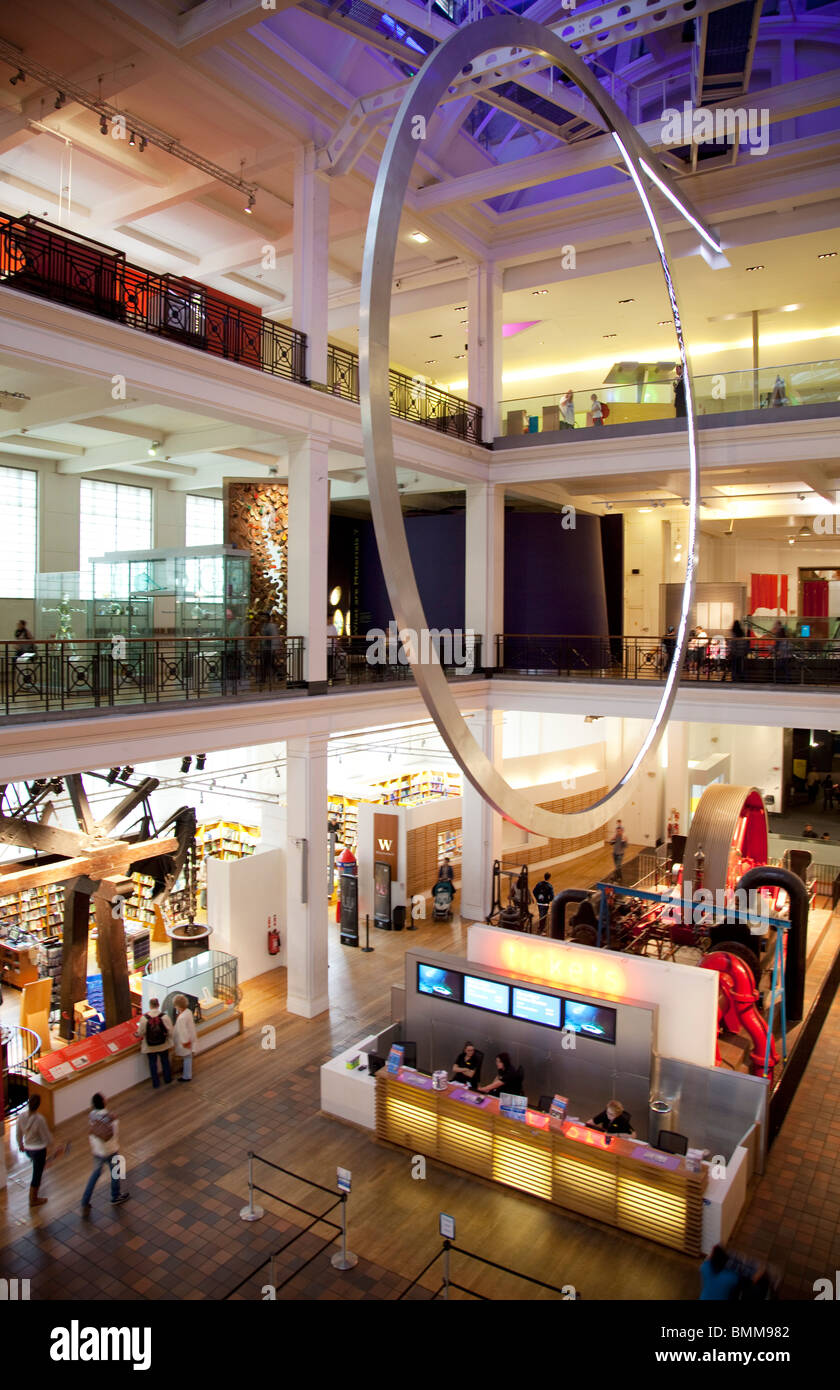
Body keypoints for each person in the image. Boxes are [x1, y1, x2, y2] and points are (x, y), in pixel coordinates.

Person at [81, 1092, 130, 1214]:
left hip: (97, 1150)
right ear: (104, 1102)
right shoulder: (112, 1118)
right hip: (111, 1149)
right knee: (115, 1172)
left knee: (95, 1174)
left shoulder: (91, 1115)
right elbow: (115, 1133)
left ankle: (85, 1200)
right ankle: (115, 1195)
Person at [16, 1094, 51, 1208]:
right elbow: (46, 1137)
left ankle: (33, 1197)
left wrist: (20, 1144)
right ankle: (33, 1199)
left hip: (28, 1149)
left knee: (37, 1169)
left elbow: (18, 1133)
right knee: (37, 1174)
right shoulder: (39, 1119)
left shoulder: (21, 1116)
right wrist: (52, 1145)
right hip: (39, 1150)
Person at [136, 996, 174, 1087]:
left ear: (150, 1006)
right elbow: (170, 1031)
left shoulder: (144, 1018)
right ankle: (167, 1079)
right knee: (165, 1061)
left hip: (150, 1046)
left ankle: (155, 1083)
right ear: (158, 1005)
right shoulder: (164, 1017)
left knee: (152, 1064)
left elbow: (140, 1033)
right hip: (163, 1044)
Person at [173, 993, 198, 1082]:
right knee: (188, 1057)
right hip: (190, 1039)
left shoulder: (181, 1018)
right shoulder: (188, 1012)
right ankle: (186, 1073)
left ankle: (186, 1076)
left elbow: (183, 1031)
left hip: (185, 1042)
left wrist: (185, 1042)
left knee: (187, 1058)